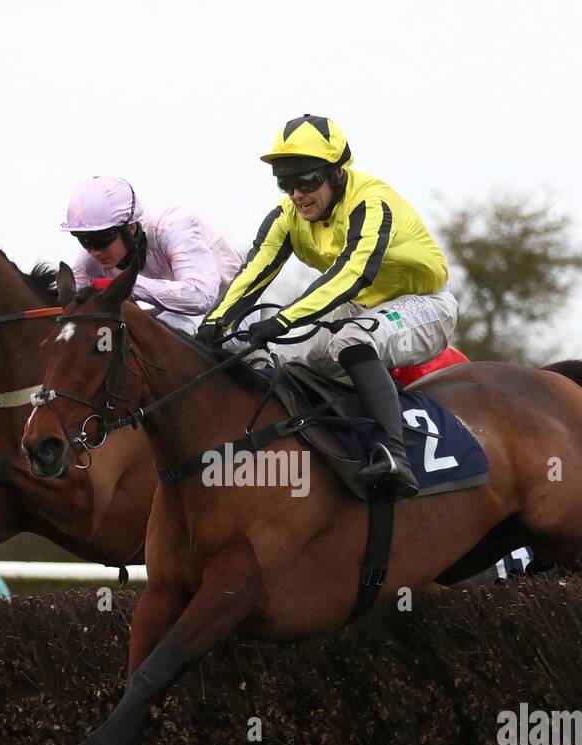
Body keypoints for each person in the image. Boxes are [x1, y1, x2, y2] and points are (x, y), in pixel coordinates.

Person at [197, 115, 458, 498]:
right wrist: (213, 325)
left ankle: (395, 455)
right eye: (286, 183)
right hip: (356, 305)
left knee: (350, 341)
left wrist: (284, 318)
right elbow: (252, 274)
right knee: (265, 354)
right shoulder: (285, 217)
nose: (297, 194)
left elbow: (352, 273)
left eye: (307, 181)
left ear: (338, 173)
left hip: (424, 304)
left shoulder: (372, 201)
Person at [60, 176, 242, 334]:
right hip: (174, 313)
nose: (94, 251)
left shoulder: (172, 225)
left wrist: (128, 285)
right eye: (84, 240)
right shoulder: (88, 261)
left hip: (234, 309)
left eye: (101, 239)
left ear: (130, 228)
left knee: (164, 331)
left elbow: (201, 297)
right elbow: (73, 316)